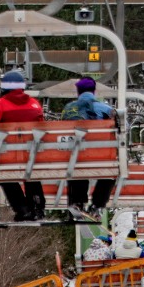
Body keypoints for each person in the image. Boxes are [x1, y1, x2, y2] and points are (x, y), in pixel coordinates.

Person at [0, 70, 46, 221]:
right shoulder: (34, 104)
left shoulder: (1, 104)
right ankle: (37, 207)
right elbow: (41, 124)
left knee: (3, 174)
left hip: (8, 154)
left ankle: (22, 209)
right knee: (32, 173)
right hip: (32, 153)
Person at [61, 76, 116, 213]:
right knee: (111, 170)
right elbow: (122, 124)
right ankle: (97, 204)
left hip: (73, 156)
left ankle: (77, 201)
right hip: (99, 156)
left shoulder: (68, 109)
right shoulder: (103, 108)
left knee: (77, 161)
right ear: (94, 91)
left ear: (78, 92)